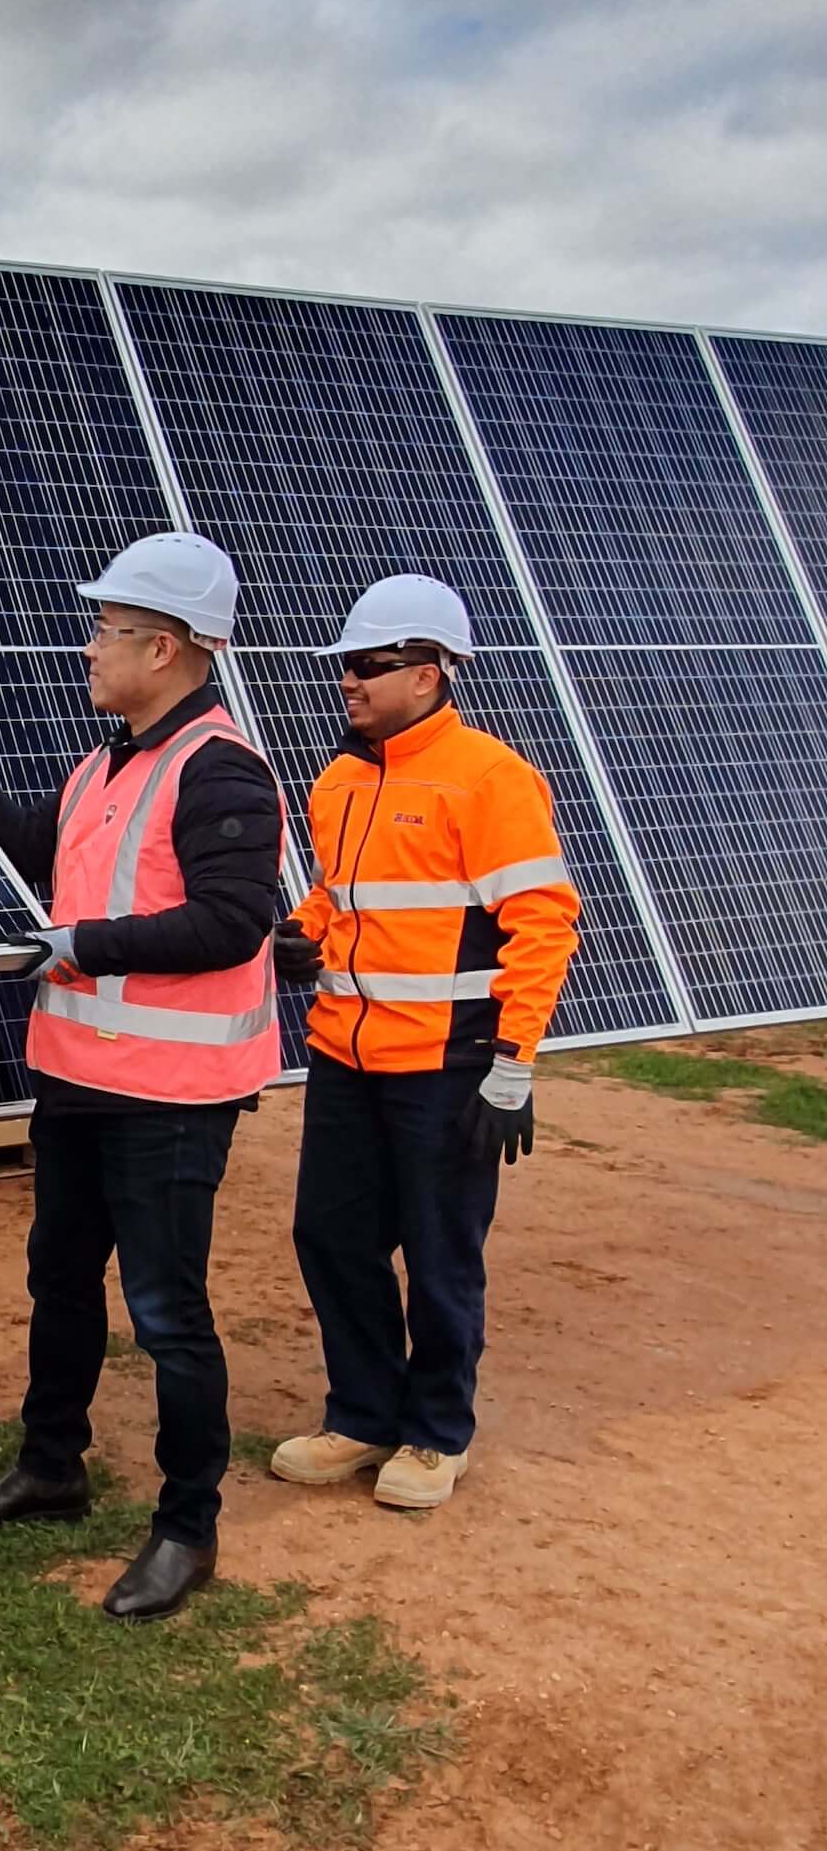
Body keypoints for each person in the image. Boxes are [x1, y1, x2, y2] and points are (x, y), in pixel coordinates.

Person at [0, 535, 285, 1621]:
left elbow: (231, 921)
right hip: (77, 1079)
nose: (88, 647)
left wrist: (79, 944)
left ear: (162, 648)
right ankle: (51, 1465)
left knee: (167, 1310)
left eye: (107, 630)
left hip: (171, 1096)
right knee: (61, 1277)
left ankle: (187, 1526)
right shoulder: (104, 762)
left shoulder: (220, 769)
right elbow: (36, 847)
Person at [269, 576, 580, 1512]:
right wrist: (303, 929)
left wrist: (512, 1066)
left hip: (448, 1067)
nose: (349, 681)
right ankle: (363, 1414)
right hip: (344, 1058)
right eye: (346, 665)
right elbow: (341, 893)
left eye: (370, 665)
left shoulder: (489, 778)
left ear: (430, 673)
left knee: (441, 1255)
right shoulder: (338, 780)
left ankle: (438, 1432)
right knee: (332, 1237)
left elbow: (543, 922)